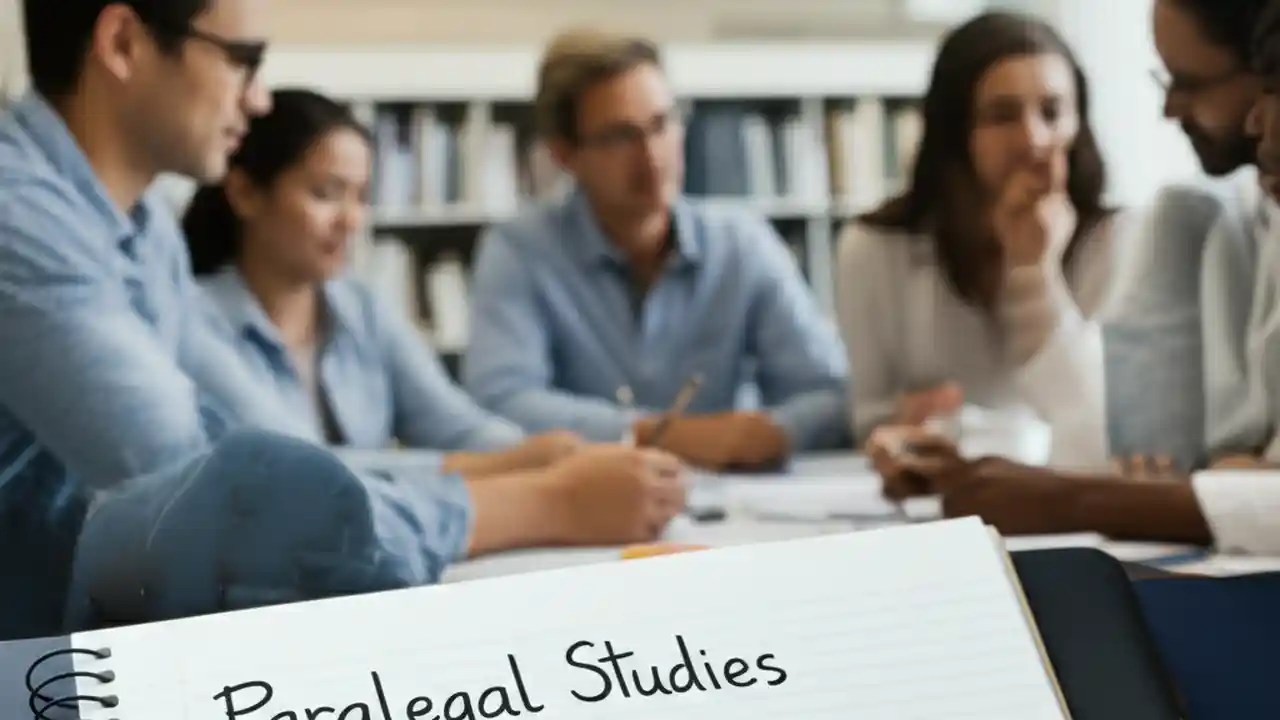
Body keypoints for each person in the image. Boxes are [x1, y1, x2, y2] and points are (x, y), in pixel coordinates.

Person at [0, 0, 683, 639]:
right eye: (243, 59)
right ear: (123, 43)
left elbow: (274, 449)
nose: (258, 99)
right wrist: (538, 504)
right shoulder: (18, 218)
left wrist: (504, 471)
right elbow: (219, 497)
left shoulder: (146, 232)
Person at [884, 0, 1278, 551]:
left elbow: (1133, 468)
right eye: (1001, 116)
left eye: (1190, 82)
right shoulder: (1200, 219)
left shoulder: (1149, 227)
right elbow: (1128, 451)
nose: (1032, 140)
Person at [463, 29, 850, 470]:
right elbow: (500, 401)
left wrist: (773, 432)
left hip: (729, 495)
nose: (652, 157)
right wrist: (654, 434)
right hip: (586, 497)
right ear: (565, 155)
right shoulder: (520, 251)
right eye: (620, 137)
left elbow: (827, 391)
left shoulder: (740, 242)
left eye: (662, 124)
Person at [184, 88, 585, 479]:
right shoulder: (196, 322)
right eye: (326, 194)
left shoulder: (362, 308)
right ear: (245, 193)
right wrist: (485, 467)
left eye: (361, 197)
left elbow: (455, 425)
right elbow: (304, 472)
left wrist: (543, 454)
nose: (351, 220)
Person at [837, 12, 1120, 475]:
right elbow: (868, 420)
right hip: (935, 492)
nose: (1033, 140)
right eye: (1002, 116)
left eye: (1052, 112)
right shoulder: (873, 248)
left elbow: (1096, 423)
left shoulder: (1113, 239)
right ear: (956, 132)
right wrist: (901, 423)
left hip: (1065, 494)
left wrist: (1035, 271)